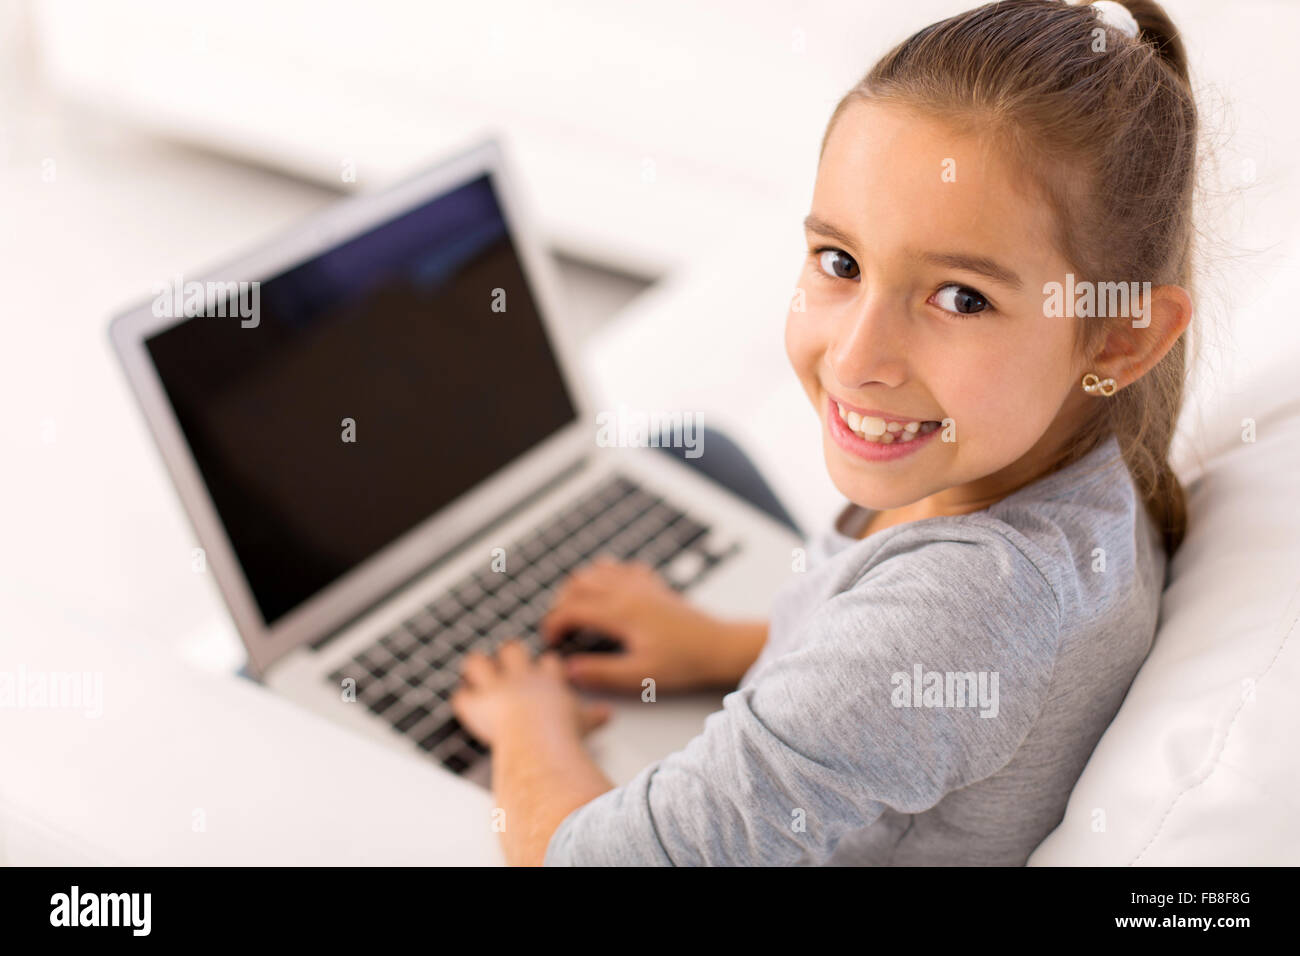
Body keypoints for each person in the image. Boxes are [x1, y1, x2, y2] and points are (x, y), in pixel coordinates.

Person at [450, 0, 1197, 866]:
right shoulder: (1091, 456)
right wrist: (724, 646)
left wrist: (527, 728)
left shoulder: (964, 611)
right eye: (839, 262)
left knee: (275, 699)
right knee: (694, 449)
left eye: (961, 297)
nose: (854, 359)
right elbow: (904, 687)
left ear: (1123, 337)